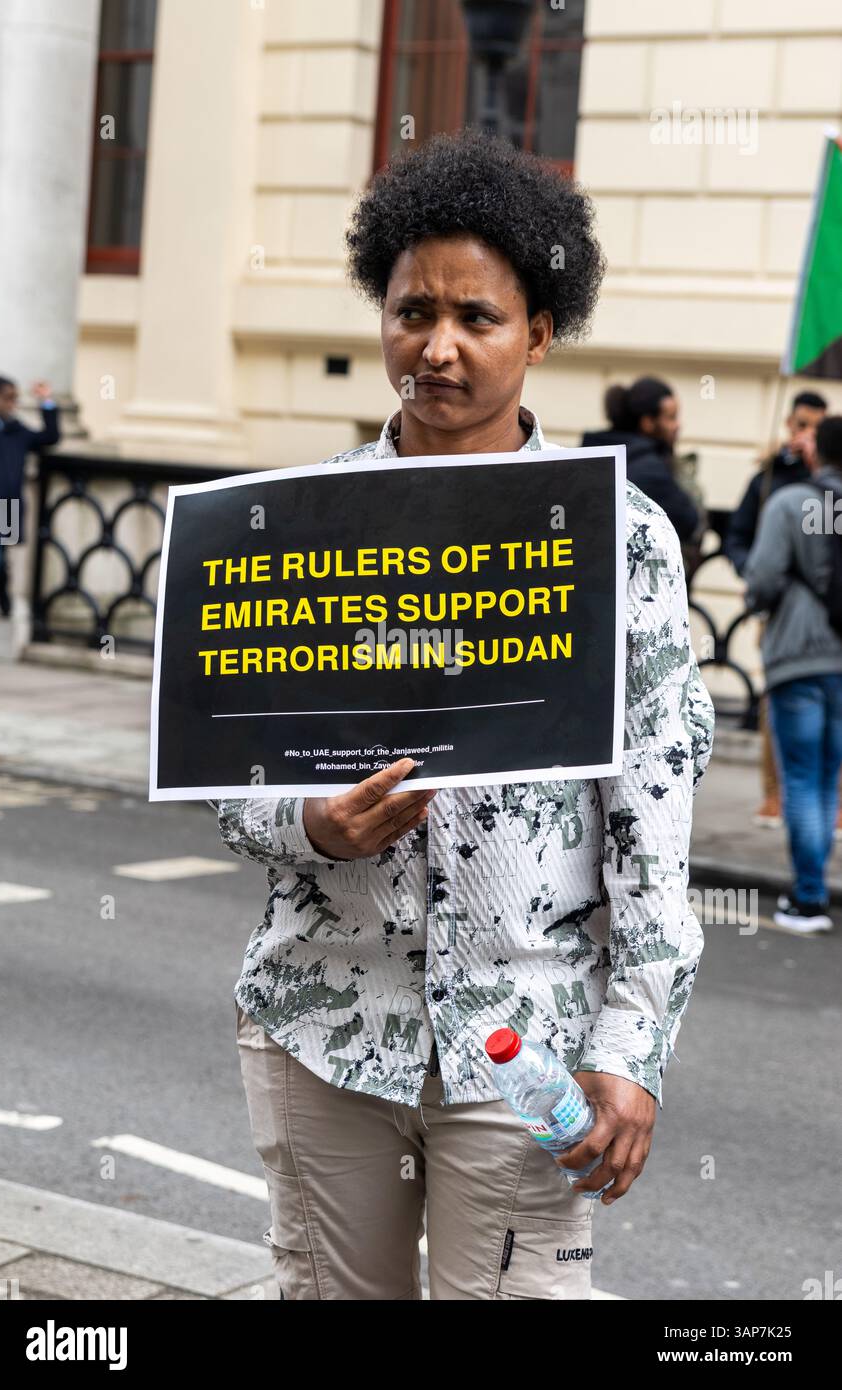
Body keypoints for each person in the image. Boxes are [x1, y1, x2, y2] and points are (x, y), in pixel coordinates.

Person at [217, 128, 715, 1301]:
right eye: (409, 310)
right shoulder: (291, 529)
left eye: (477, 318)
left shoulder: (618, 540)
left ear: (538, 332)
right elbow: (224, 784)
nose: (435, 347)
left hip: (524, 1049)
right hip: (319, 1026)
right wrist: (311, 825)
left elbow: (654, 819)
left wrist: (630, 1052)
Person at [744, 415, 842, 933]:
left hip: (798, 658)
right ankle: (814, 888)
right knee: (829, 778)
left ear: (815, 454)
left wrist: (766, 604)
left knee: (801, 778)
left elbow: (760, 579)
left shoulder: (789, 503)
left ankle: (809, 899)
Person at [725, 391, 828, 829]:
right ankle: (774, 793)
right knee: (777, 701)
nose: (807, 435)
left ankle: (833, 799)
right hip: (782, 615)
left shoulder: (830, 478)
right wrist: (753, 574)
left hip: (831, 615)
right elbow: (738, 536)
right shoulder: (770, 479)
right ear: (789, 425)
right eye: (802, 425)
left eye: (816, 429)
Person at [0, 375, 60, 664]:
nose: (12, 404)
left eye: (15, 398)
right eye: (7, 398)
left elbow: (50, 437)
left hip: (7, 511)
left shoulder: (16, 430)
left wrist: (46, 402)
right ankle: (5, 592)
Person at [581, 377, 701, 543]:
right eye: (671, 418)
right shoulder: (651, 469)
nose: (678, 425)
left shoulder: (592, 455)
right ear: (647, 423)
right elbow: (689, 522)